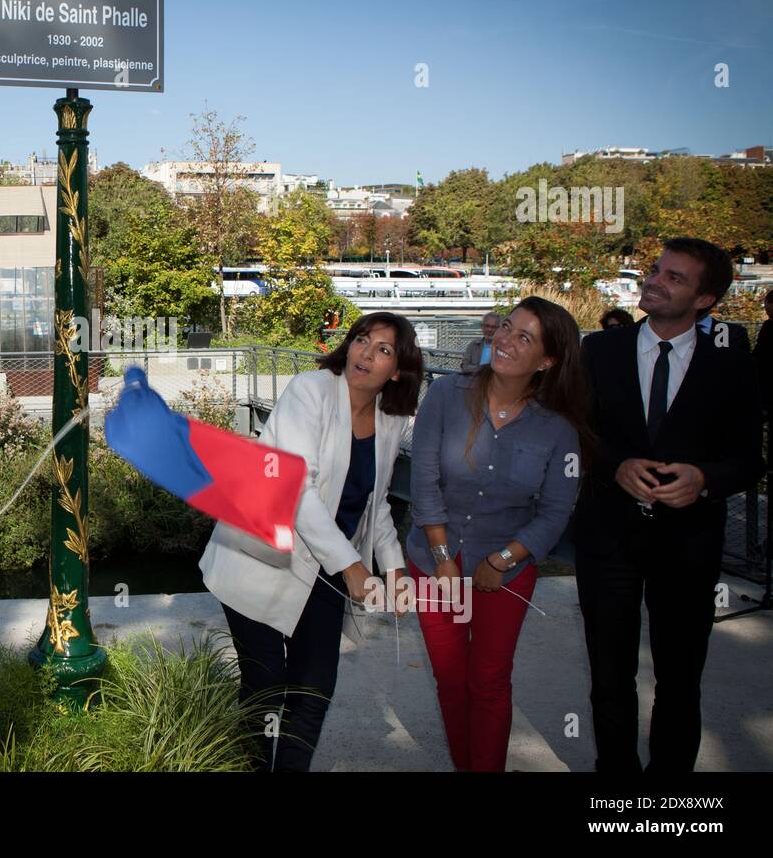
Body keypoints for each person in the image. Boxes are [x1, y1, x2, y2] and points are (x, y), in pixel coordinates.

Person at [200, 312, 423, 771]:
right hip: (260, 556)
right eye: (362, 340)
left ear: (398, 370)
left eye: (384, 350)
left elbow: (375, 502)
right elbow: (297, 489)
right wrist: (352, 566)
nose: (367, 352)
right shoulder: (310, 390)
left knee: (314, 690)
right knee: (266, 688)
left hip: (326, 570)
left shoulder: (390, 417)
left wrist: (394, 567)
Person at [573, 238, 763, 772]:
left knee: (680, 679)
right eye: (656, 270)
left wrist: (704, 479)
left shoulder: (731, 359)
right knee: (609, 676)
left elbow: (749, 457)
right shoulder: (599, 349)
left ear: (705, 300)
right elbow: (577, 432)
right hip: (607, 539)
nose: (653, 281)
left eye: (674, 277)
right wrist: (615, 465)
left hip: (688, 546)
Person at [408, 297, 589, 771]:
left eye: (524, 337)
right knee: (450, 680)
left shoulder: (557, 429)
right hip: (432, 564)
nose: (505, 339)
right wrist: (443, 556)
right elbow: (423, 479)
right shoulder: (447, 394)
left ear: (547, 361)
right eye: (507, 327)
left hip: (504, 575)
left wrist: (502, 560)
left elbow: (555, 511)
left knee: (488, 681)